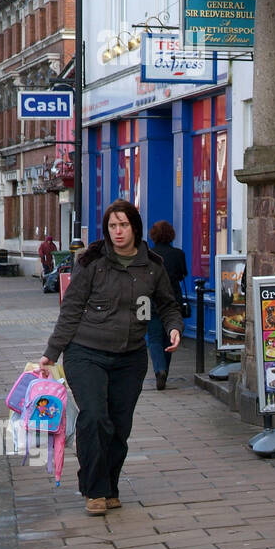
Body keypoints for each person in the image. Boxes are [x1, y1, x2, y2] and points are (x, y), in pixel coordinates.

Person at [40, 199, 183, 515]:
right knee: (94, 418)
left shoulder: (153, 266)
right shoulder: (92, 262)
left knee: (119, 426)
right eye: (112, 226)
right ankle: (95, 490)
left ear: (135, 227)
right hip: (85, 352)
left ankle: (109, 485)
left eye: (123, 225)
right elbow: (72, 308)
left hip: (130, 358)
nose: (118, 232)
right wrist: (52, 353)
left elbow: (168, 305)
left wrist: (174, 328)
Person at [146, 220, 188, 391]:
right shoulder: (178, 254)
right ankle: (165, 371)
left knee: (154, 338)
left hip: (152, 300)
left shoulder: (149, 254)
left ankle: (159, 370)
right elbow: (182, 274)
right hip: (172, 300)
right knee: (170, 337)